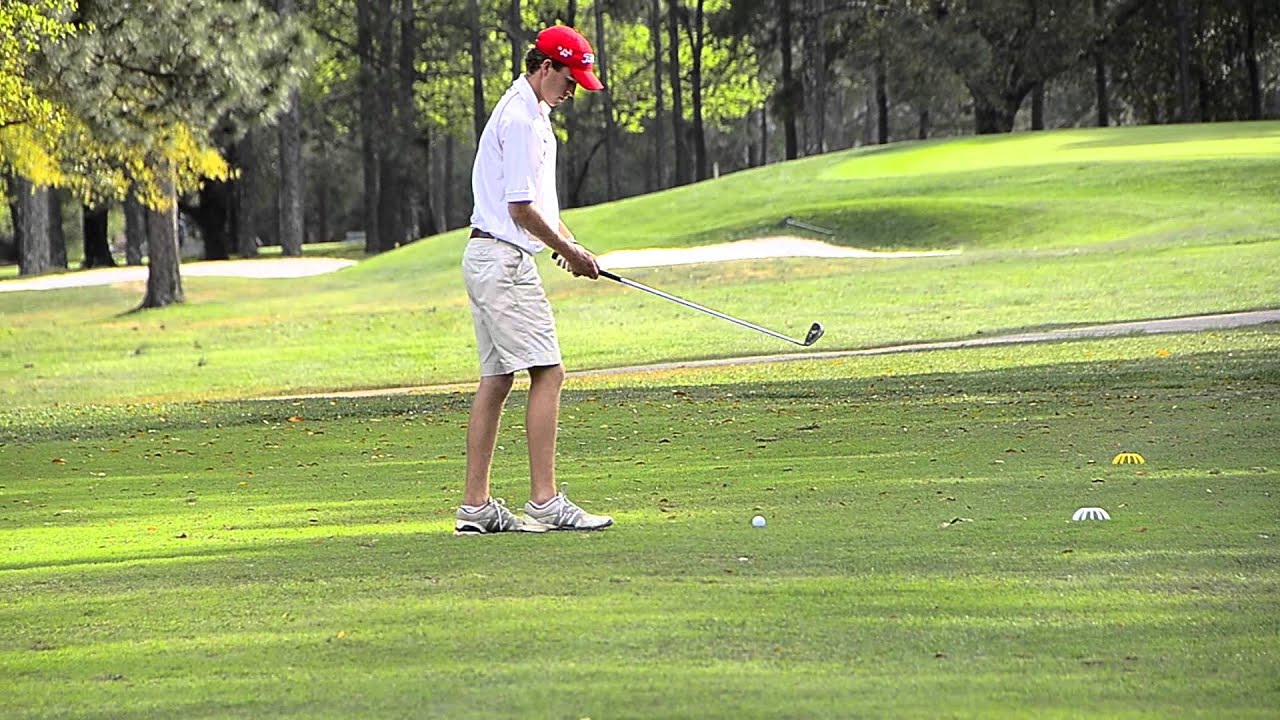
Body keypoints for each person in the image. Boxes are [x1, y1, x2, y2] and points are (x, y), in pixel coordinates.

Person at [456, 25, 614, 534]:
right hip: (503, 261)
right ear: (545, 67)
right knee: (549, 372)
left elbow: (538, 207)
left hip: (490, 256)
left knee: (498, 378)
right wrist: (566, 250)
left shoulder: (531, 111)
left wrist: (573, 247)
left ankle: (475, 507)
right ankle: (545, 501)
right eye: (570, 80)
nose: (573, 91)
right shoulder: (522, 119)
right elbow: (521, 209)